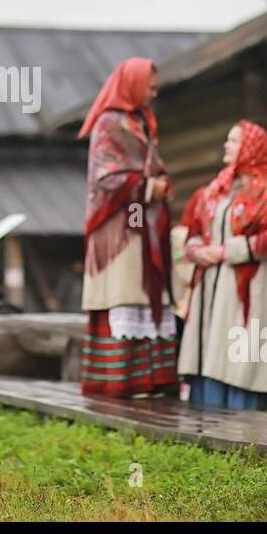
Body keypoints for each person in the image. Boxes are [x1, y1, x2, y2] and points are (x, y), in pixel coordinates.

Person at [176, 120, 267, 410]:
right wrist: (196, 249)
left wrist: (227, 251)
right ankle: (206, 411)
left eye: (234, 141)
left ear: (251, 148)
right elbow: (194, 226)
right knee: (213, 348)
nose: (227, 145)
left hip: (254, 282)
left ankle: (246, 414)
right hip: (213, 282)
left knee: (242, 350)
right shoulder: (217, 188)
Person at [77, 58, 177, 398]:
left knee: (143, 295)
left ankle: (150, 381)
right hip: (117, 228)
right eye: (149, 87)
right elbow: (105, 179)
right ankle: (118, 381)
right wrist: (149, 188)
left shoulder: (143, 121)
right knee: (123, 295)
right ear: (132, 84)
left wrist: (161, 181)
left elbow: (151, 164)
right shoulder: (110, 122)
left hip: (144, 224)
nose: (154, 93)